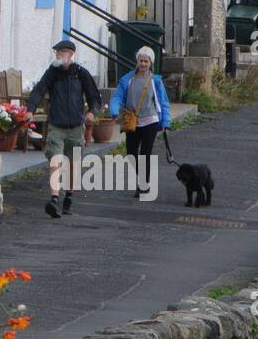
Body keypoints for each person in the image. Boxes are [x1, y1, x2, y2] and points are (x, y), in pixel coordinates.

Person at [24, 39, 102, 218]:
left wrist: (92, 112)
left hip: (76, 127)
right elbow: (38, 91)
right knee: (55, 161)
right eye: (56, 52)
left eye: (61, 52)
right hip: (56, 126)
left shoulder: (81, 73)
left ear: (71, 54)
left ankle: (68, 197)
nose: (58, 55)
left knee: (73, 164)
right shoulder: (52, 73)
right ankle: (54, 199)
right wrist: (30, 110)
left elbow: (94, 96)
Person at [109, 46, 171, 198]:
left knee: (145, 154)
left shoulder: (155, 81)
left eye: (146, 61)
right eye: (141, 60)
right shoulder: (127, 79)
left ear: (151, 63)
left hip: (150, 122)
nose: (143, 64)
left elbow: (164, 103)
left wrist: (165, 122)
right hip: (132, 122)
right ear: (136, 61)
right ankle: (142, 179)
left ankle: (143, 184)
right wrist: (115, 111)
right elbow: (117, 97)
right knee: (131, 154)